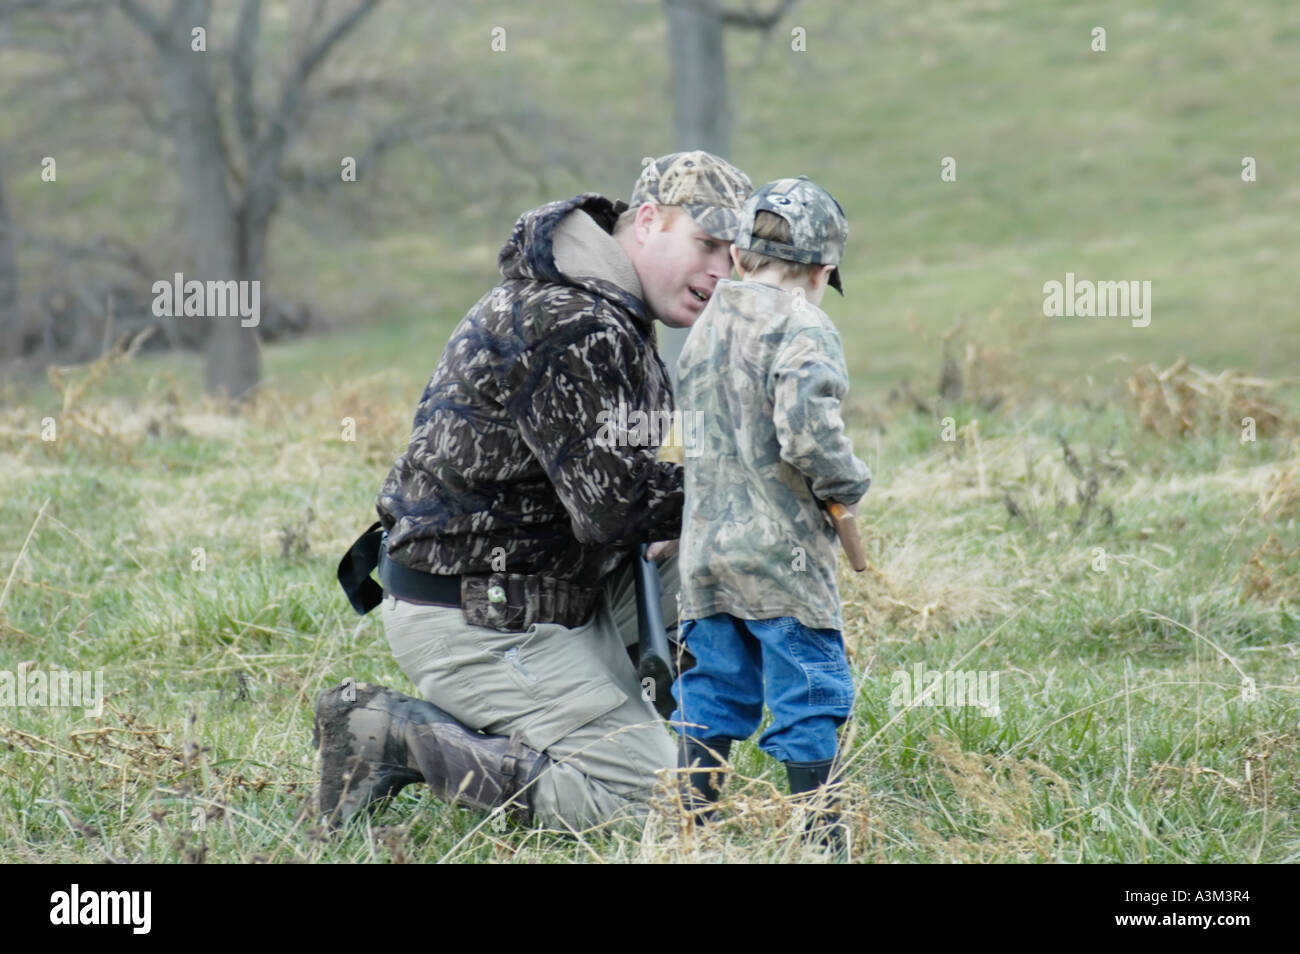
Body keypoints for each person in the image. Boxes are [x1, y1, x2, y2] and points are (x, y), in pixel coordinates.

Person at [316, 151, 753, 832]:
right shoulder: (572, 321)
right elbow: (613, 507)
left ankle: (621, 726)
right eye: (706, 244)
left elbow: (614, 494)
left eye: (734, 253)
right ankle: (394, 738)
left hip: (550, 583)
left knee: (722, 568)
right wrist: (747, 485)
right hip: (476, 617)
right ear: (646, 222)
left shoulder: (608, 302)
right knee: (662, 810)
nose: (722, 270)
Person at [669, 176, 871, 836]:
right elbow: (807, 431)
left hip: (705, 554)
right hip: (782, 559)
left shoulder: (707, 321)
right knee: (808, 693)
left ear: (743, 253)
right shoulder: (804, 324)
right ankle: (821, 838)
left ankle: (690, 832)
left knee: (711, 690)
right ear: (823, 268)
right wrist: (849, 483)